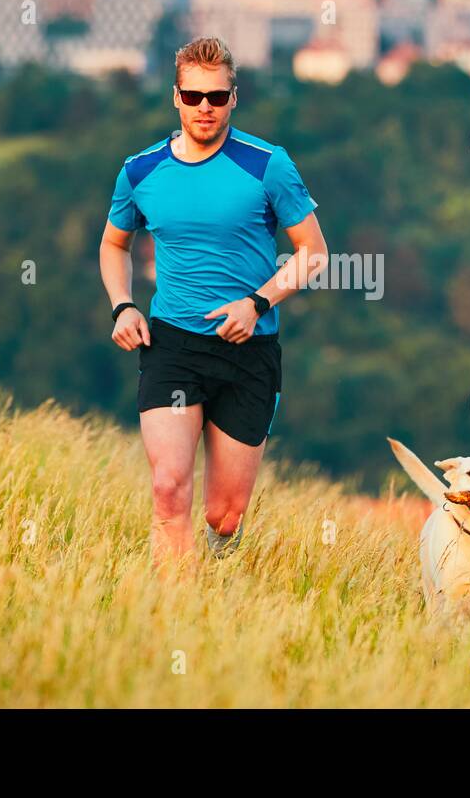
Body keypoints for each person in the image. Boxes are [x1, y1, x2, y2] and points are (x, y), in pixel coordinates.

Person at [99, 36, 328, 571]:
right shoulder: (140, 170)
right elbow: (114, 244)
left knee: (224, 516)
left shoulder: (268, 164)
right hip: (173, 345)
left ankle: (218, 601)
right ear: (175, 96)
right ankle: (173, 615)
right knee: (169, 487)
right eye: (194, 95)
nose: (205, 107)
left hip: (249, 350)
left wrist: (256, 302)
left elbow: (313, 252)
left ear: (234, 98)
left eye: (217, 97)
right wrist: (122, 306)